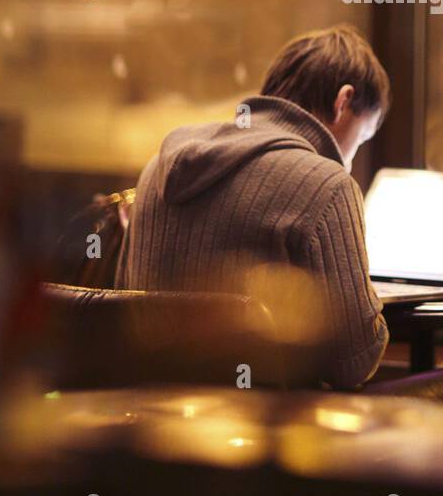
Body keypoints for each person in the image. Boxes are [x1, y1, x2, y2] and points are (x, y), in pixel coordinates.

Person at [117, 25, 390, 388]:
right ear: (343, 102)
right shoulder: (327, 183)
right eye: (363, 135)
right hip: (264, 427)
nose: (353, 158)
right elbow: (353, 363)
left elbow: (119, 304)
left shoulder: (155, 169)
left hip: (150, 417)